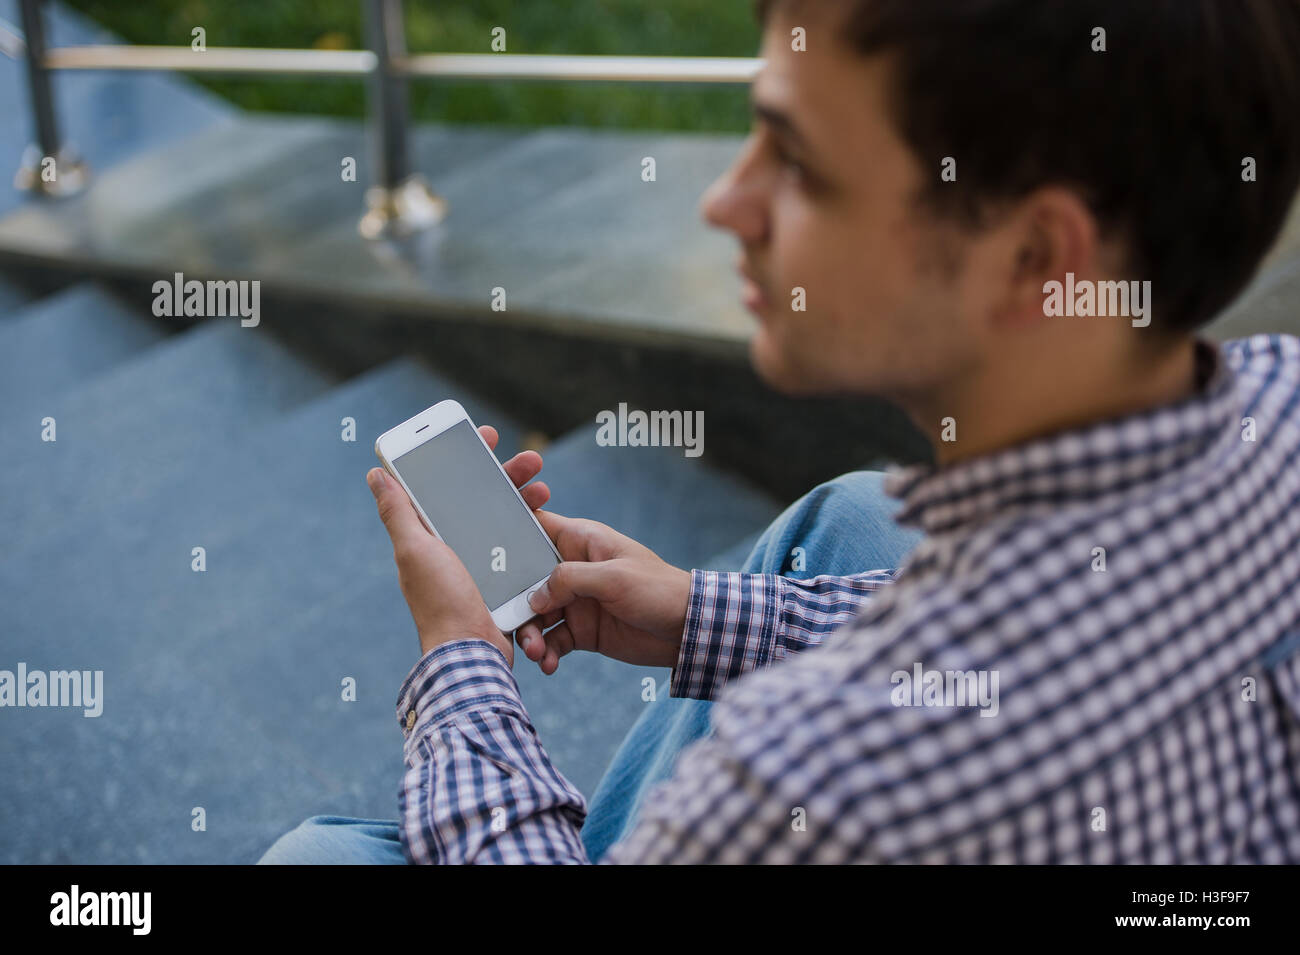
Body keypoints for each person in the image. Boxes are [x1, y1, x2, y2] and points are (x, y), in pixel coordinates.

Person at [261, 0, 1300, 864]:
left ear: (1034, 256)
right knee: (850, 517)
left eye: (796, 160)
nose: (725, 199)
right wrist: (694, 616)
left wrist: (459, 660)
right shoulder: (1278, 394)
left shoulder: (818, 783)